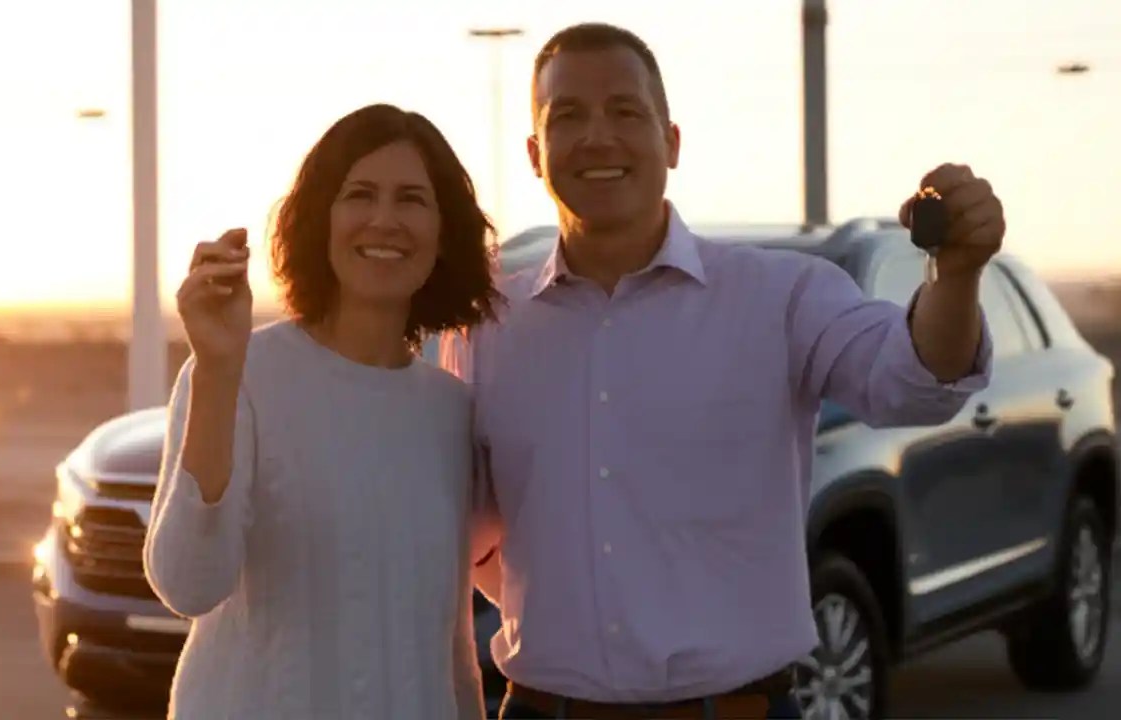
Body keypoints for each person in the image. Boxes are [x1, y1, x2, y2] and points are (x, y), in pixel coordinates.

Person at [442, 22, 1005, 720]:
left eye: (625, 112)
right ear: (535, 152)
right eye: (568, 117)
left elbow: (916, 380)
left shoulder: (785, 297)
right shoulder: (486, 328)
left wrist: (956, 275)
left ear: (671, 142)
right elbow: (461, 531)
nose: (598, 138)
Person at [143, 103, 500, 719]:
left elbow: (449, 645)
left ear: (444, 234)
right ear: (319, 219)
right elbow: (187, 583)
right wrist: (219, 371)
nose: (384, 220)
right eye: (359, 194)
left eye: (412, 199)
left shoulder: (448, 409)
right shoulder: (243, 373)